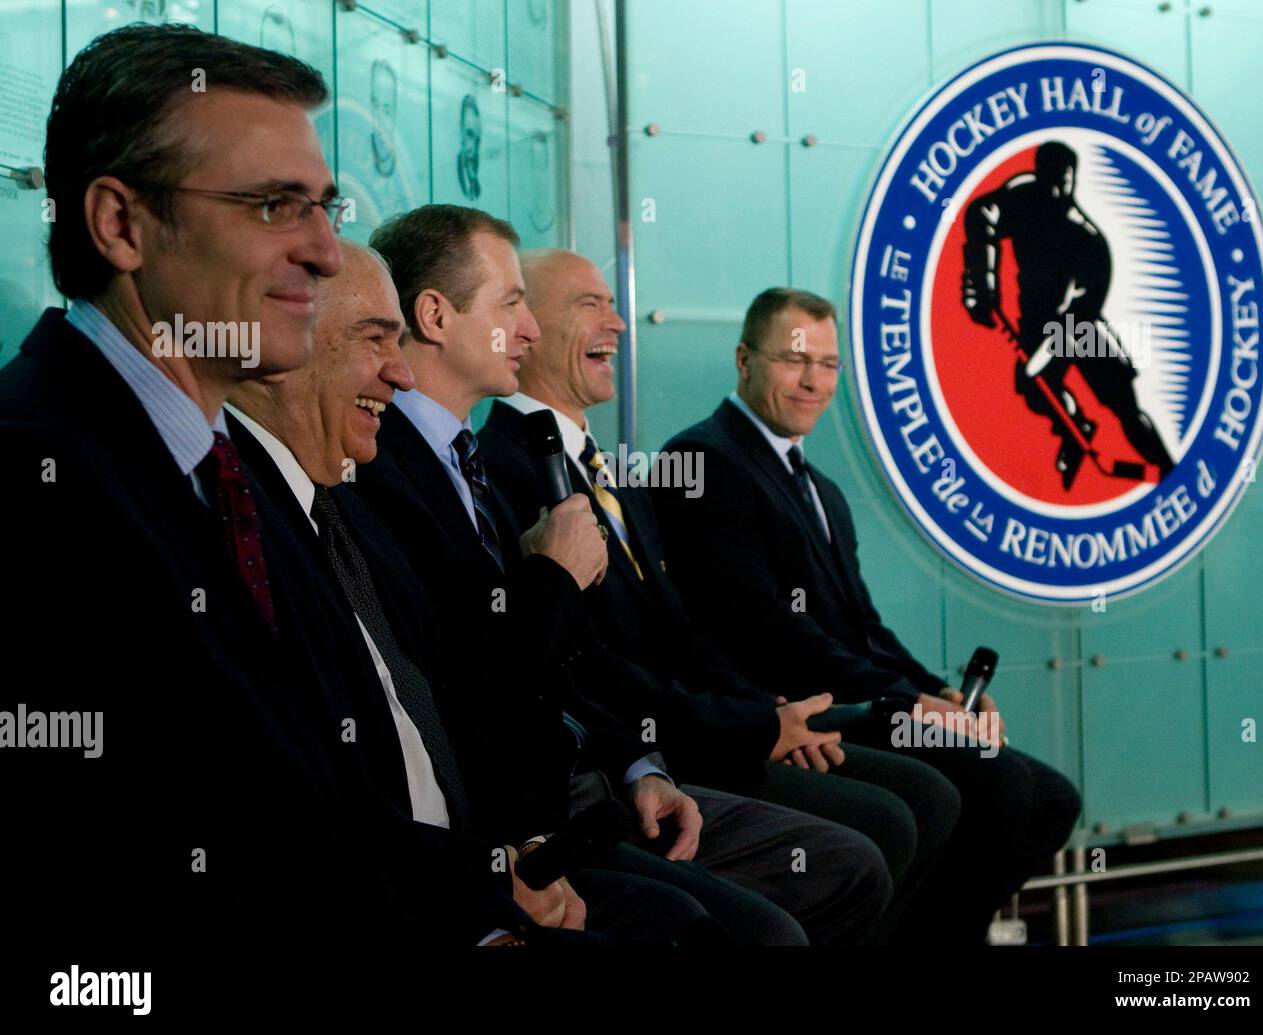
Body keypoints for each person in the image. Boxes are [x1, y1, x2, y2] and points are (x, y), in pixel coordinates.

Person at [0, 24, 572, 973]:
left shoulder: (236, 474)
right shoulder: (37, 482)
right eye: (273, 205)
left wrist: (482, 884)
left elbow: (312, 796)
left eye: (322, 205)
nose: (321, 248)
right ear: (120, 225)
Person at [357, 204, 891, 945]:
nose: (532, 328)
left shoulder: (472, 464)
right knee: (779, 905)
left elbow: (609, 652)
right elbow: (485, 677)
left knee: (850, 858)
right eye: (516, 303)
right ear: (437, 315)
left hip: (606, 780)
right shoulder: (398, 470)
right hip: (528, 820)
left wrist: (644, 763)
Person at [225, 238, 722, 943]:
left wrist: (637, 759)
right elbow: (468, 684)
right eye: (514, 302)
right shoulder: (314, 492)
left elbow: (466, 680)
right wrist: (484, 891)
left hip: (527, 832)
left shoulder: (342, 484)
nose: (397, 373)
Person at [476, 247, 970, 943]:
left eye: (829, 364)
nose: (618, 323)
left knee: (915, 809)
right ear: (524, 326)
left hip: (690, 735)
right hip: (643, 759)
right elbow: (581, 664)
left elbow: (685, 632)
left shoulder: (614, 469)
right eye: (591, 305)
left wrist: (764, 711)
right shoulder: (499, 469)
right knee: (891, 822)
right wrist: (755, 724)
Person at [657, 285, 1084, 942]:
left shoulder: (820, 488)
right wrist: (904, 699)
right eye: (795, 360)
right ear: (744, 359)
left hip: (865, 697)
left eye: (828, 365)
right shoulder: (705, 461)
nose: (813, 381)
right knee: (998, 787)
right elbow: (766, 631)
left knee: (1053, 796)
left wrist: (940, 694)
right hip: (807, 710)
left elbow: (864, 625)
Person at [962, 140, 1174, 487]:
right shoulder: (1023, 199)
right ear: (1040, 173)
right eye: (1050, 179)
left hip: (1082, 329)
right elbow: (981, 216)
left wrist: (1042, 357)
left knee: (1123, 404)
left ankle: (1168, 468)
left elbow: (1077, 316)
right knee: (1033, 388)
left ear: (1074, 178)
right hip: (1035, 321)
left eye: (1065, 180)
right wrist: (981, 286)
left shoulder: (1088, 240)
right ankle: (1077, 428)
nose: (1058, 189)